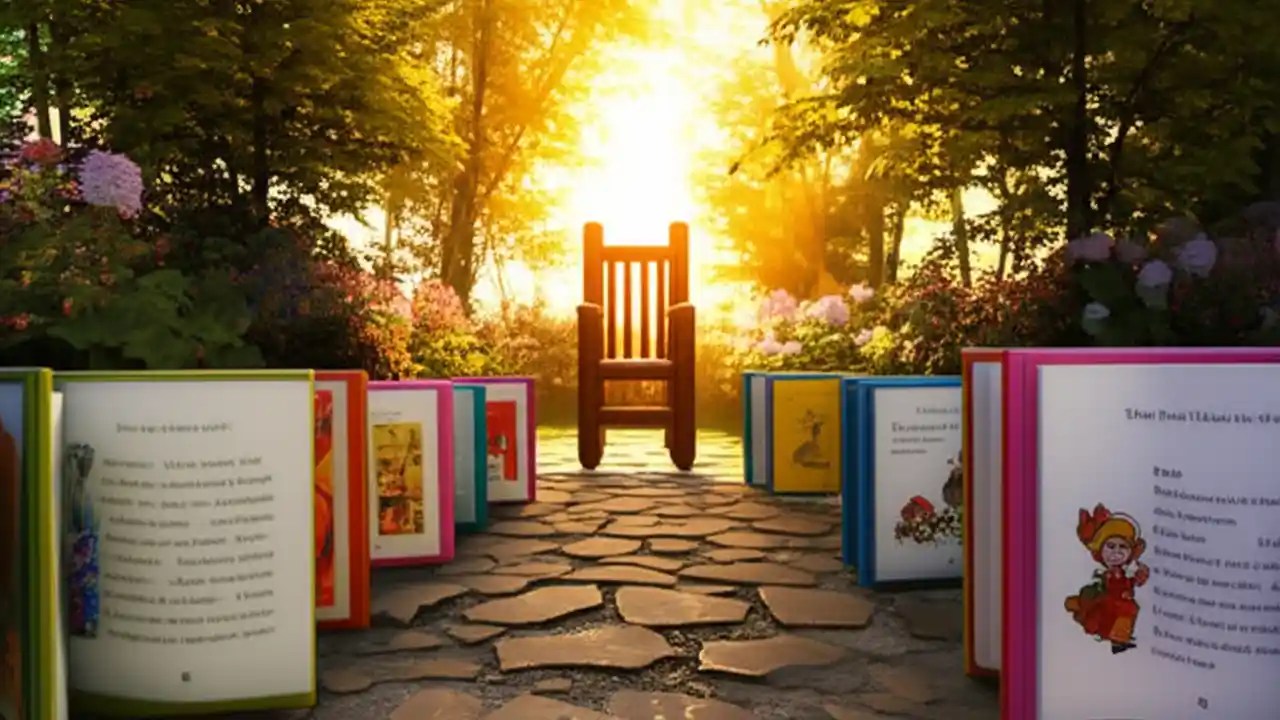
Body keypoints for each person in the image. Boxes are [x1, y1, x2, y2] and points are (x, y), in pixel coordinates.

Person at [1064, 504, 1150, 654]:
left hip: (1122, 600)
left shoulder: (1123, 571)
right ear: (1100, 550)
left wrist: (1135, 579)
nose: (1116, 553)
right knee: (1122, 613)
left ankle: (1120, 639)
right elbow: (1114, 585)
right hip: (1113, 600)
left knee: (1128, 612)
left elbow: (1128, 581)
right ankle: (1117, 640)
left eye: (1122, 547)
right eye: (1110, 546)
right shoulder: (1109, 573)